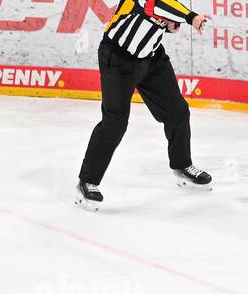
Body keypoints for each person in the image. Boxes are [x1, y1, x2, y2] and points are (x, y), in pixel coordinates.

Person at [76, 1, 214, 209]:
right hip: (118, 58)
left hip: (151, 57)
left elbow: (159, 13)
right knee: (115, 123)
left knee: (177, 111)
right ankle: (87, 181)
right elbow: (152, 4)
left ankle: (182, 165)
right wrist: (190, 17)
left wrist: (167, 25)